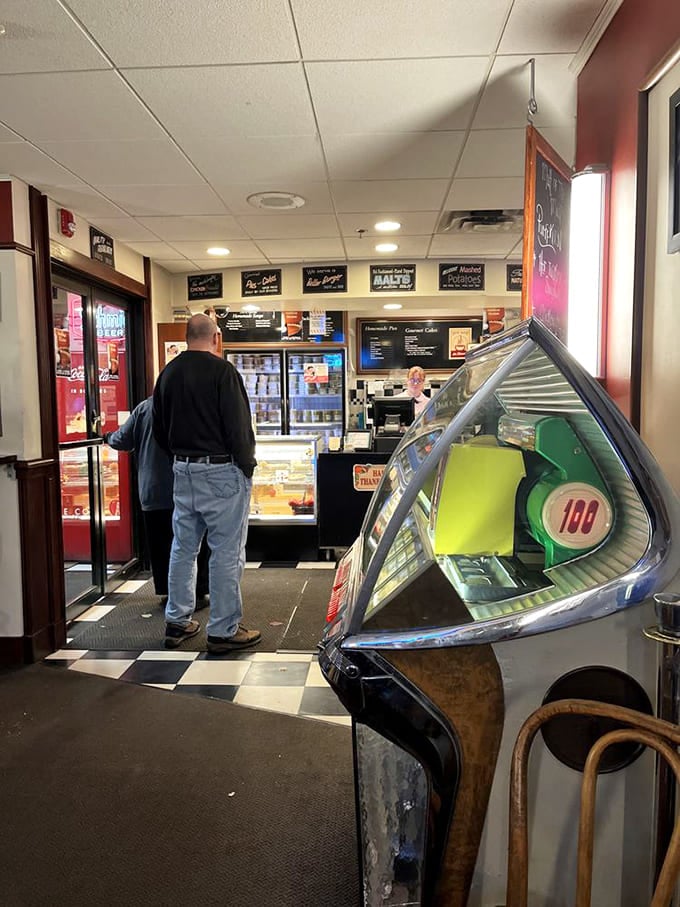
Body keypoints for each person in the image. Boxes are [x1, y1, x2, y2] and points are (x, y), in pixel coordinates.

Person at [153, 313, 260, 653]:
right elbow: (238, 428)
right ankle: (223, 630)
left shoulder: (167, 373)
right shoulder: (222, 372)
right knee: (226, 552)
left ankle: (177, 621)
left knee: (183, 548)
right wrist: (246, 467)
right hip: (221, 472)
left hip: (183, 471)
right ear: (216, 338)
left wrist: (181, 460)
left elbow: (158, 429)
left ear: (186, 337)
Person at [103, 398, 210, 608]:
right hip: (192, 486)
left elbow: (122, 440)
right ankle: (197, 591)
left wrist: (107, 436)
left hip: (155, 488)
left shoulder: (145, 407)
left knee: (162, 544)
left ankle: (169, 593)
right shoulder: (192, 405)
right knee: (194, 542)